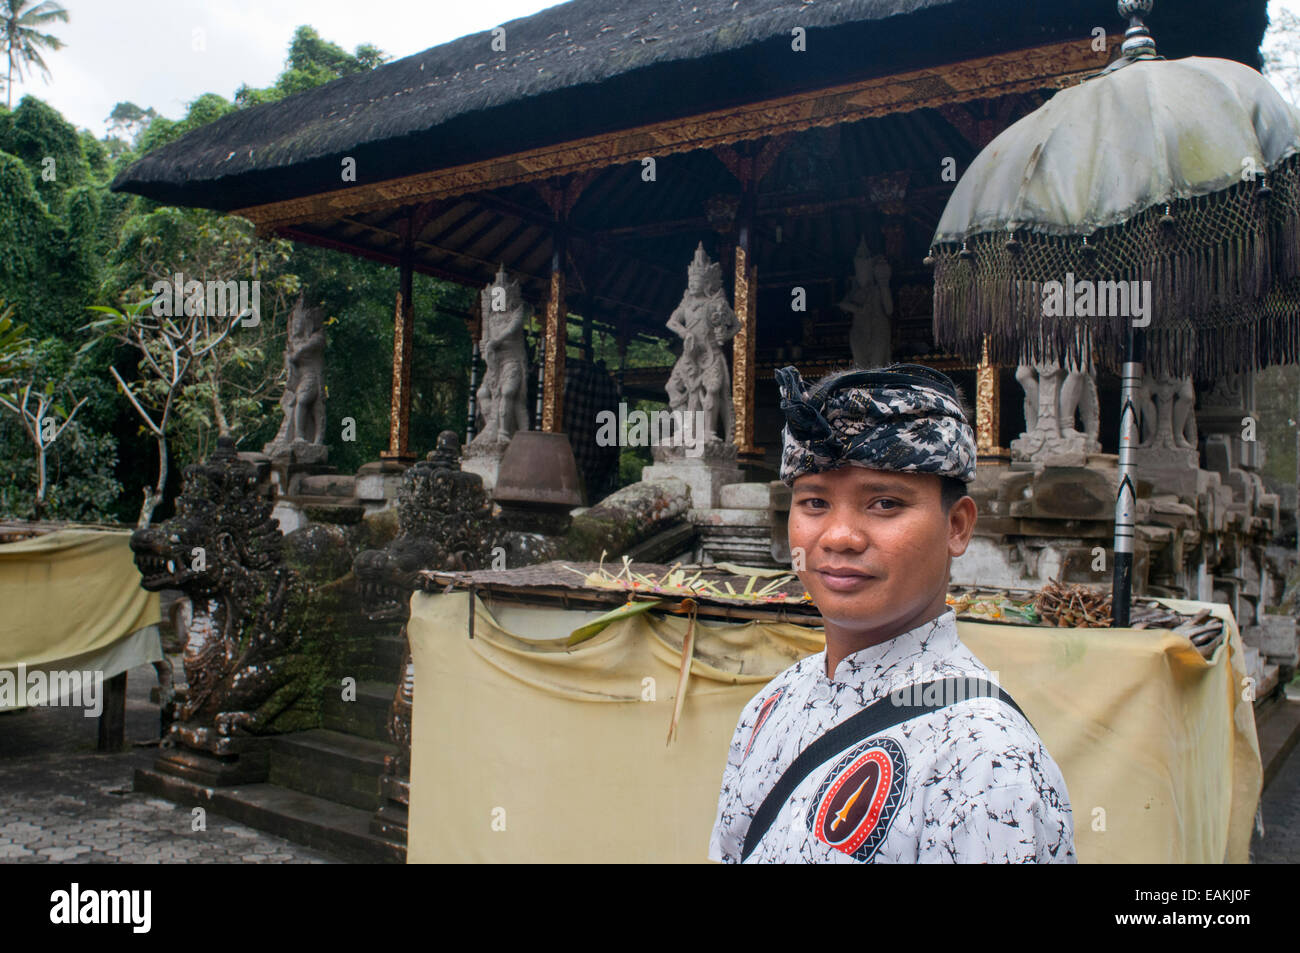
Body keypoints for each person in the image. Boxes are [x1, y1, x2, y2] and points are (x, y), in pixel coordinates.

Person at [708, 363, 1075, 864]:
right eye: (814, 502)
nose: (839, 537)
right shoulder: (770, 707)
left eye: (884, 503)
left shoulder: (986, 759)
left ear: (957, 526)